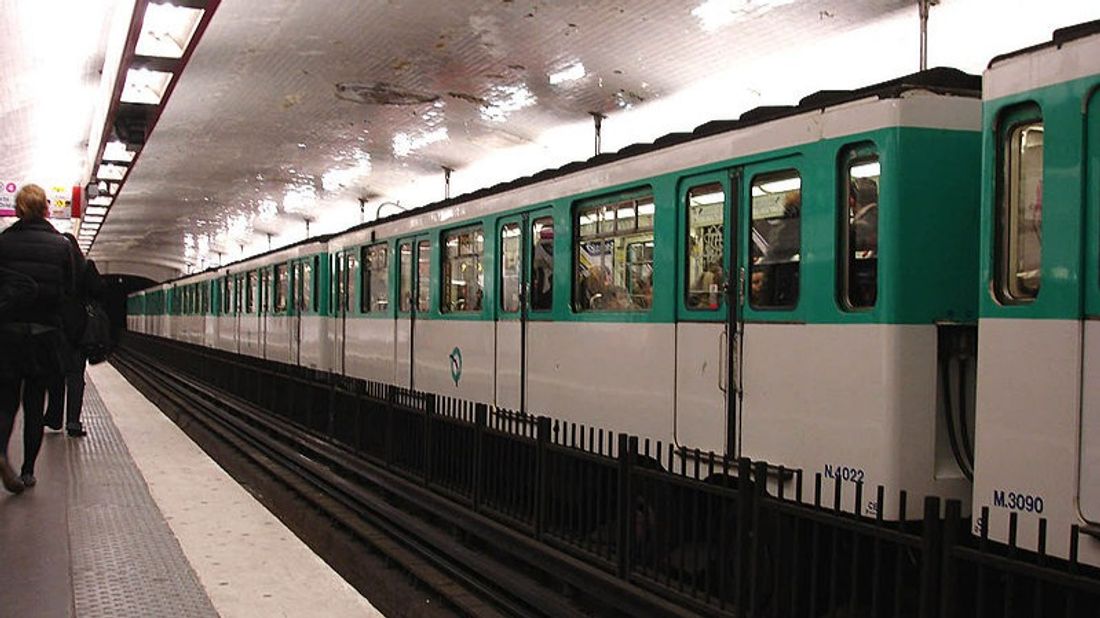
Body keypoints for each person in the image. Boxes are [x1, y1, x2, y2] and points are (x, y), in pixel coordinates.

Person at [0, 184, 75, 492]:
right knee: (34, 404)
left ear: (17, 211)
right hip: (44, 336)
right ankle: (28, 471)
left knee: (5, 404)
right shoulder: (61, 246)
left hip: (8, 335)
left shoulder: (3, 243)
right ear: (47, 209)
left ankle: (1, 454)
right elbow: (68, 292)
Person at [42, 233, 103, 437]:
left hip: (54, 325)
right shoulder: (86, 266)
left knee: (55, 374)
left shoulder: (52, 268)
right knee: (76, 376)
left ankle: (54, 417)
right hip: (79, 327)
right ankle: (73, 423)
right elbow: (98, 291)